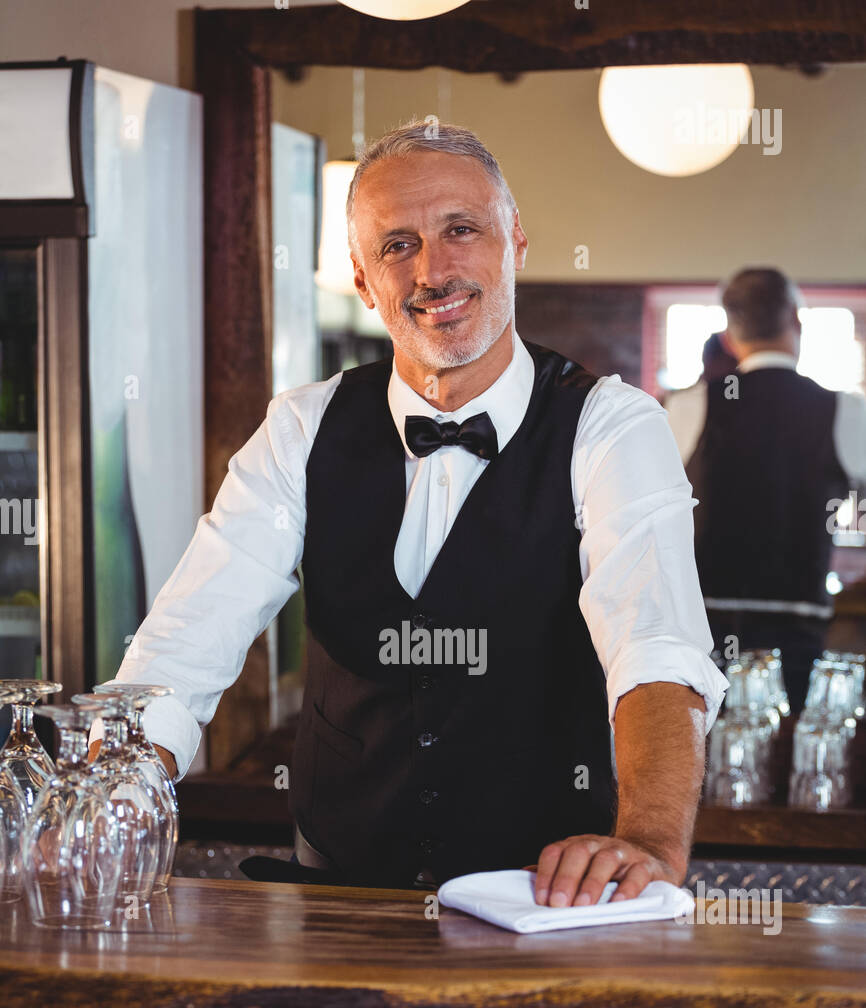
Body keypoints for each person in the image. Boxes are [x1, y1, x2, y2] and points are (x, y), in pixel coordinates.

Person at [97, 122, 726, 906]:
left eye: (461, 230)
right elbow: (182, 649)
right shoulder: (302, 427)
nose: (434, 269)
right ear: (362, 279)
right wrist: (106, 796)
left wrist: (647, 839)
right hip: (338, 904)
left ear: (515, 243)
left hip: (542, 902)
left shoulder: (610, 424)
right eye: (397, 245)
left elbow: (656, 647)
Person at [668, 267, 866, 713]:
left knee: (707, 761)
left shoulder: (690, 404)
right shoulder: (845, 410)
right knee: (784, 757)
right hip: (799, 629)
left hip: (704, 629)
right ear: (795, 321)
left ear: (731, 336)